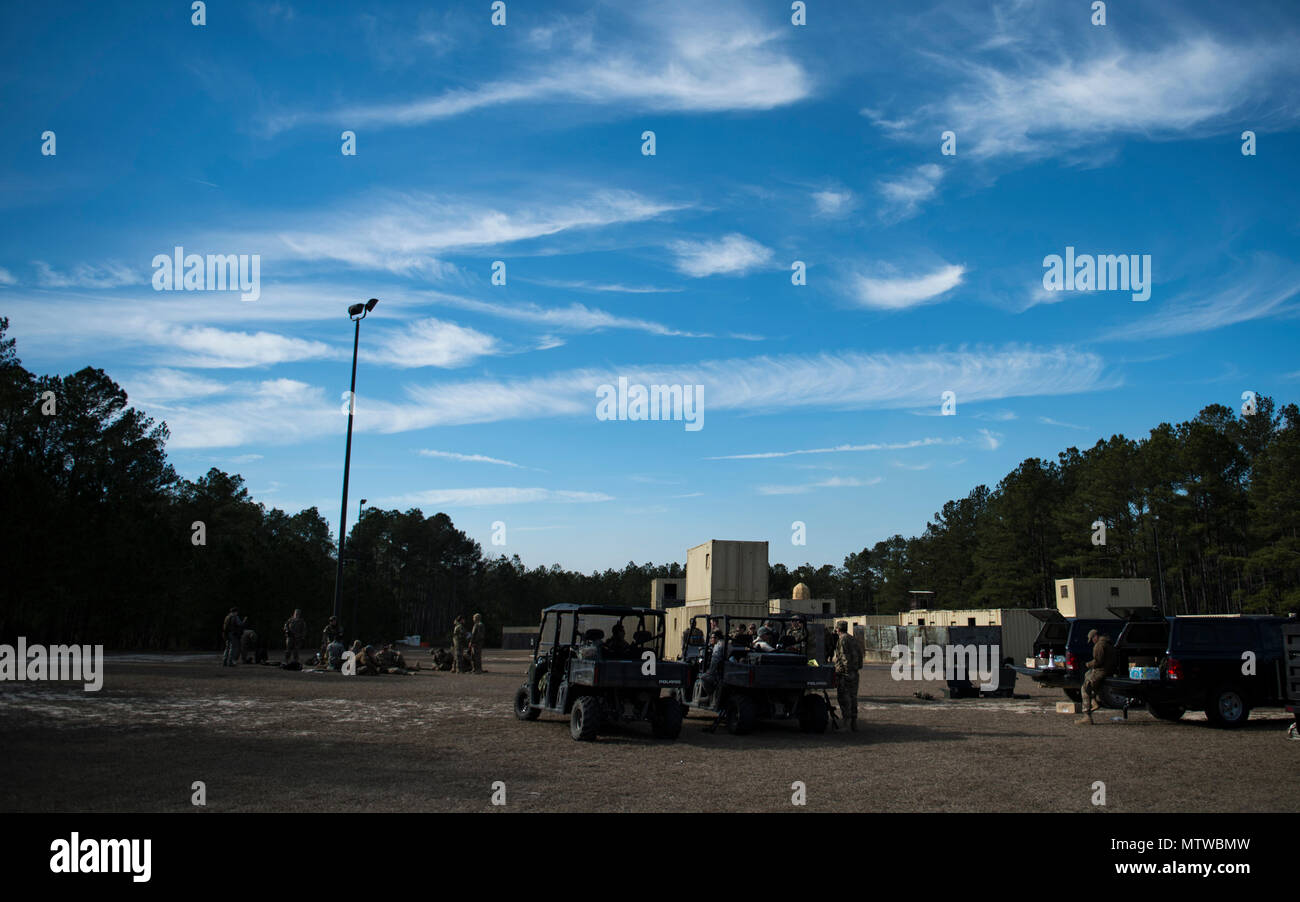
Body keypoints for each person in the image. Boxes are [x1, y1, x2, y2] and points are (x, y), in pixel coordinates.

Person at [1077, 629, 1118, 725]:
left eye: (1092, 639)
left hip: (1101, 671)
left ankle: (1087, 715)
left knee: (1085, 688)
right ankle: (1094, 700)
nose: (1092, 641)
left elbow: (1098, 661)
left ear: (1095, 636)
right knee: (1087, 675)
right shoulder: (1108, 643)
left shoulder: (1099, 645)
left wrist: (1088, 664)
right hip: (1109, 670)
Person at [832, 621, 864, 731]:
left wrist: (843, 670)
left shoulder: (842, 639)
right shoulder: (852, 639)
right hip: (854, 672)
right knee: (853, 697)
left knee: (844, 698)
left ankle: (846, 723)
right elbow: (860, 654)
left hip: (846, 673)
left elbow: (843, 656)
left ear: (838, 629)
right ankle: (854, 723)